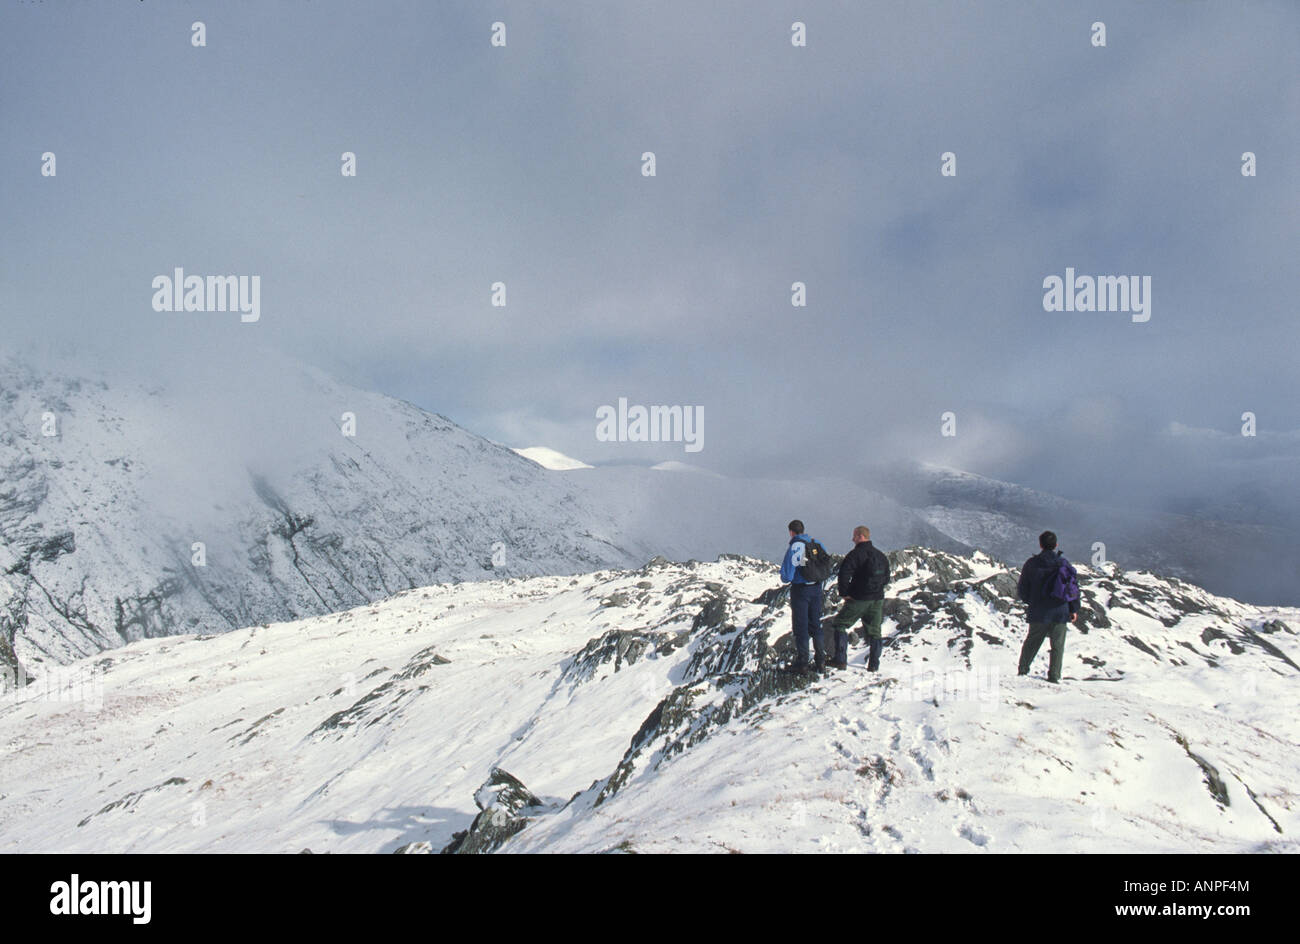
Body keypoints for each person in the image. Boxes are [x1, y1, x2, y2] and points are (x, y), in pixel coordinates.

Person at [1016, 530, 1080, 684]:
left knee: (1032, 642)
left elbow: (1022, 589)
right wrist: (1073, 609)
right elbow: (1072, 588)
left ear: (1040, 545)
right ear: (1056, 545)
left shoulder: (1031, 564)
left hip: (1038, 611)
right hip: (1060, 611)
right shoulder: (1063, 564)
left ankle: (1023, 670)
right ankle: (1054, 676)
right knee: (1057, 646)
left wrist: (1031, 601)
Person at [828, 526, 890, 671]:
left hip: (859, 598)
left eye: (854, 536)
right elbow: (886, 577)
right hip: (877, 599)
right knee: (875, 632)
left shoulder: (855, 554)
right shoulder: (880, 555)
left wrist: (844, 593)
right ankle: (874, 665)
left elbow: (844, 574)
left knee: (840, 624)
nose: (852, 539)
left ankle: (840, 659)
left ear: (861, 536)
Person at [780, 519, 828, 673]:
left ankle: (803, 662)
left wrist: (788, 577)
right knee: (816, 623)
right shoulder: (816, 543)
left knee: (801, 626)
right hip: (816, 588)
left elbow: (787, 575)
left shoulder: (796, 546)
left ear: (791, 532)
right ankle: (821, 661)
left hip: (801, 590)